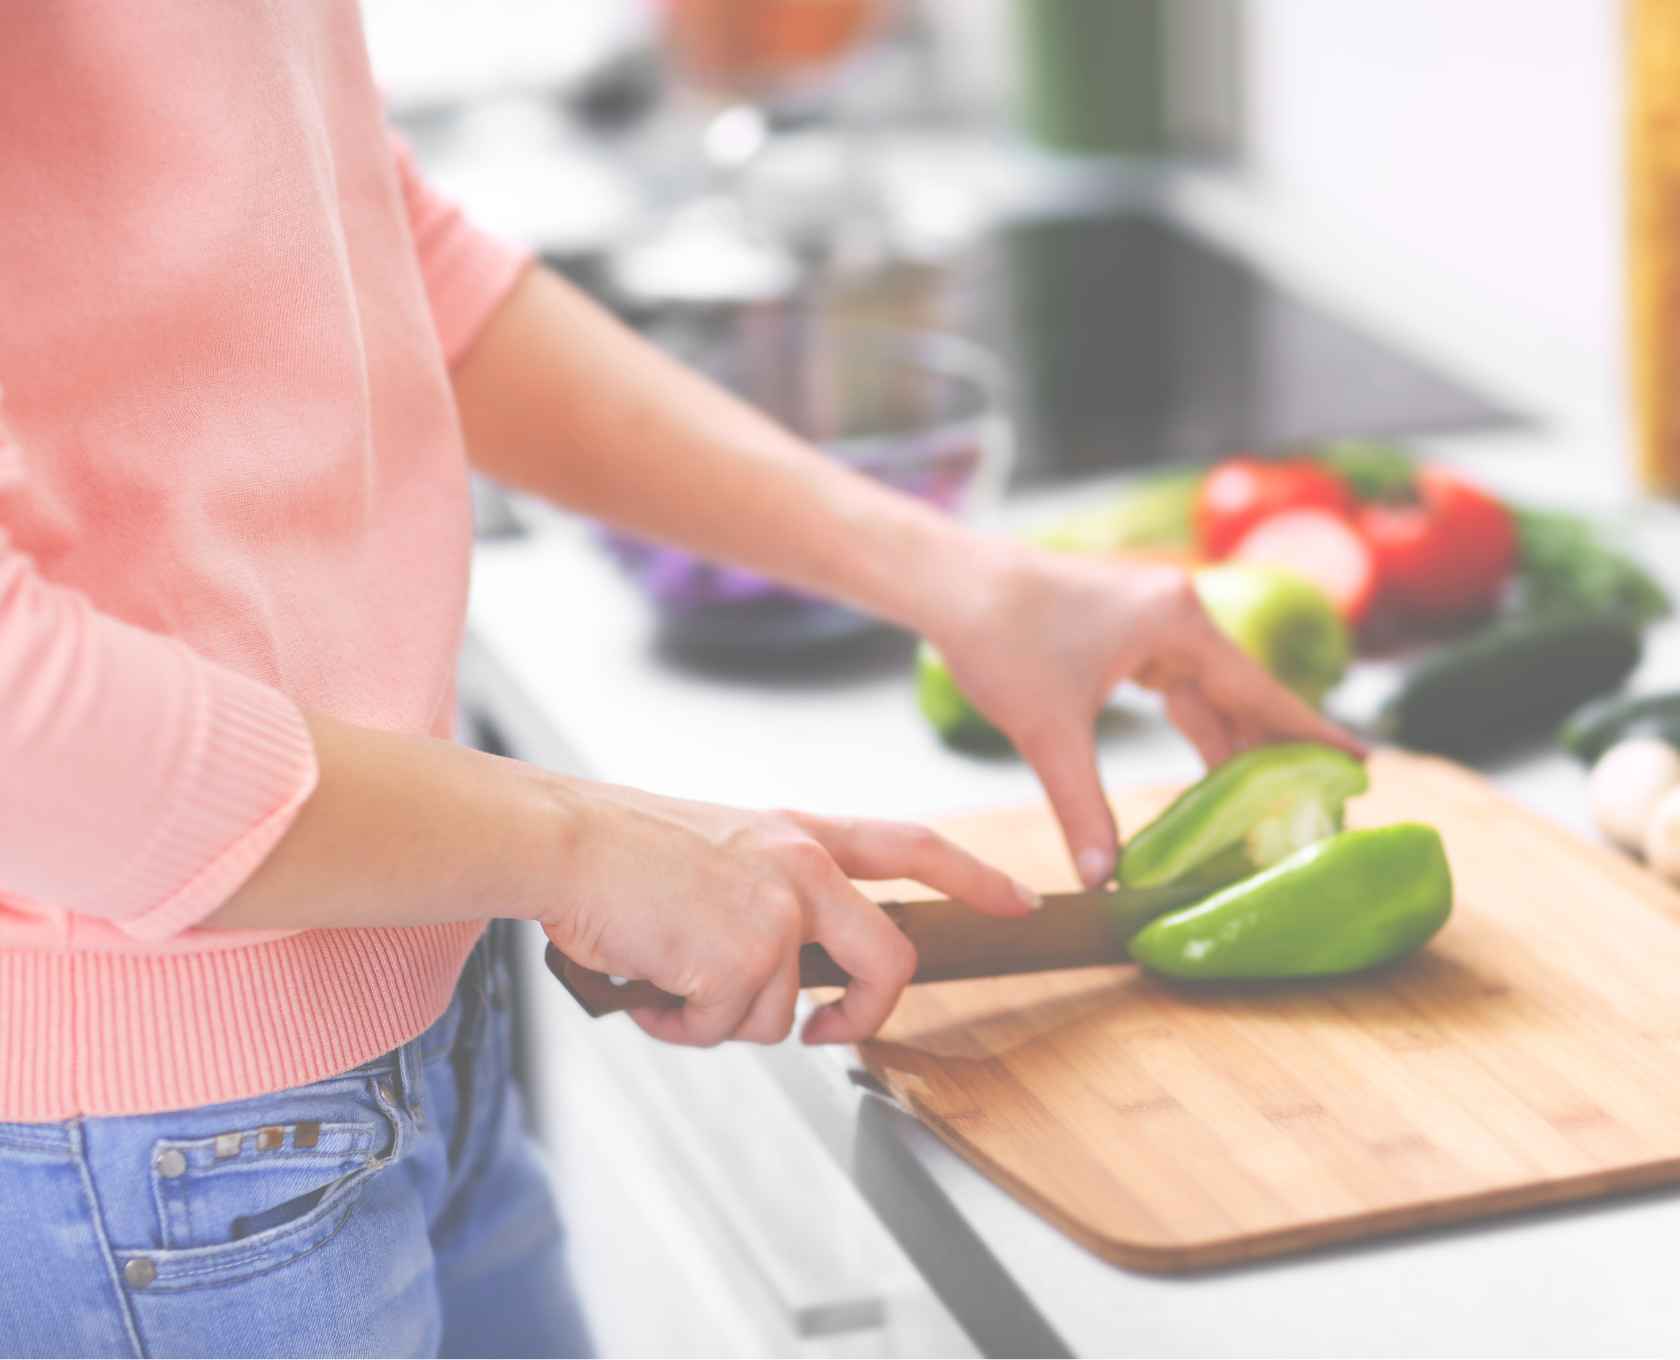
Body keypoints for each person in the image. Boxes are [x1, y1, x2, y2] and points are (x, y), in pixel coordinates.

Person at [0, 6, 1359, 1357]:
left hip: (404, 1005)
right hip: (148, 1163)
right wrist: (582, 844)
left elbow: (347, 244)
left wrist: (963, 580)